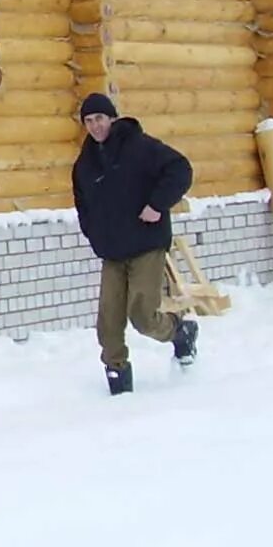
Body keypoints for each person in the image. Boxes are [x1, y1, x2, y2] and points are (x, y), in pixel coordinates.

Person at [71, 92, 200, 395]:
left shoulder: (139, 147)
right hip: (112, 253)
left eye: (100, 118)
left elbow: (180, 169)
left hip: (146, 245)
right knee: (108, 325)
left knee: (143, 316)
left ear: (112, 118)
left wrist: (157, 204)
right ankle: (118, 383)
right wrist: (93, 233)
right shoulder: (85, 164)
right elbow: (82, 205)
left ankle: (180, 332)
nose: (94, 126)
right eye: (88, 121)